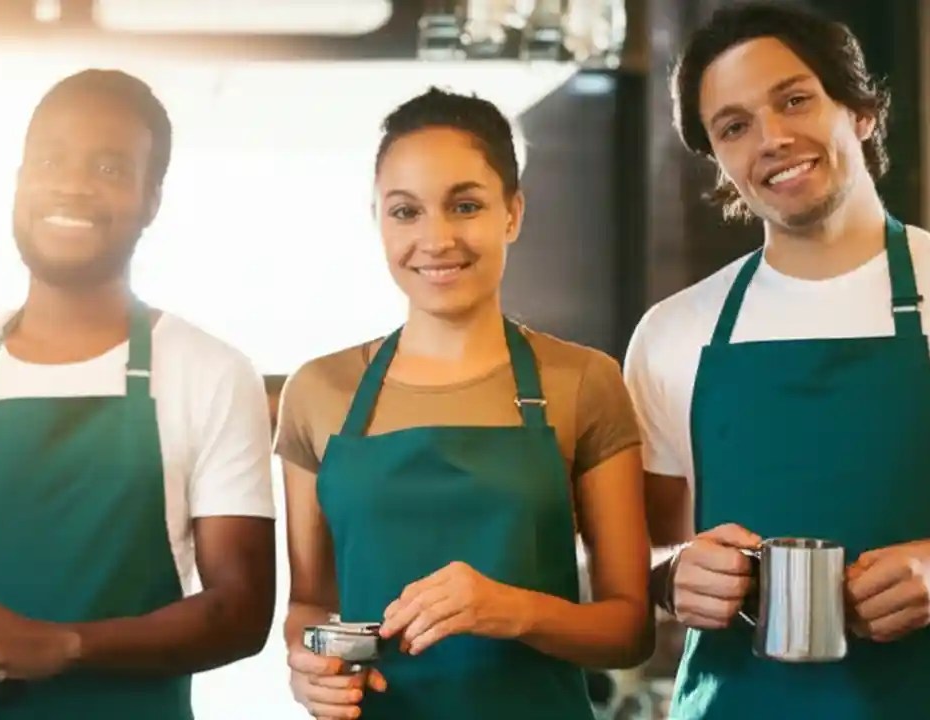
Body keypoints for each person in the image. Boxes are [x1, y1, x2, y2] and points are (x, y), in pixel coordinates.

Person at [624, 4, 930, 719]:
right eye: (734, 125)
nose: (773, 138)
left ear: (861, 110)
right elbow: (646, 551)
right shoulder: (672, 332)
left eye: (795, 99)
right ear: (717, 159)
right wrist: (672, 574)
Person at [0, 69, 277, 719]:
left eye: (109, 166)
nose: (72, 183)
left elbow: (240, 612)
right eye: (50, 159)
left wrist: (67, 644)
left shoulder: (208, 372)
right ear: (18, 180)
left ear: (152, 199)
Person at [276, 87, 653, 720]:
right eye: (405, 212)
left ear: (513, 214)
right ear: (376, 220)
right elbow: (309, 606)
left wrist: (514, 610)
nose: (436, 238)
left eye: (466, 205)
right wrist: (308, 671)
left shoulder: (584, 381)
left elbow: (628, 630)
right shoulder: (318, 392)